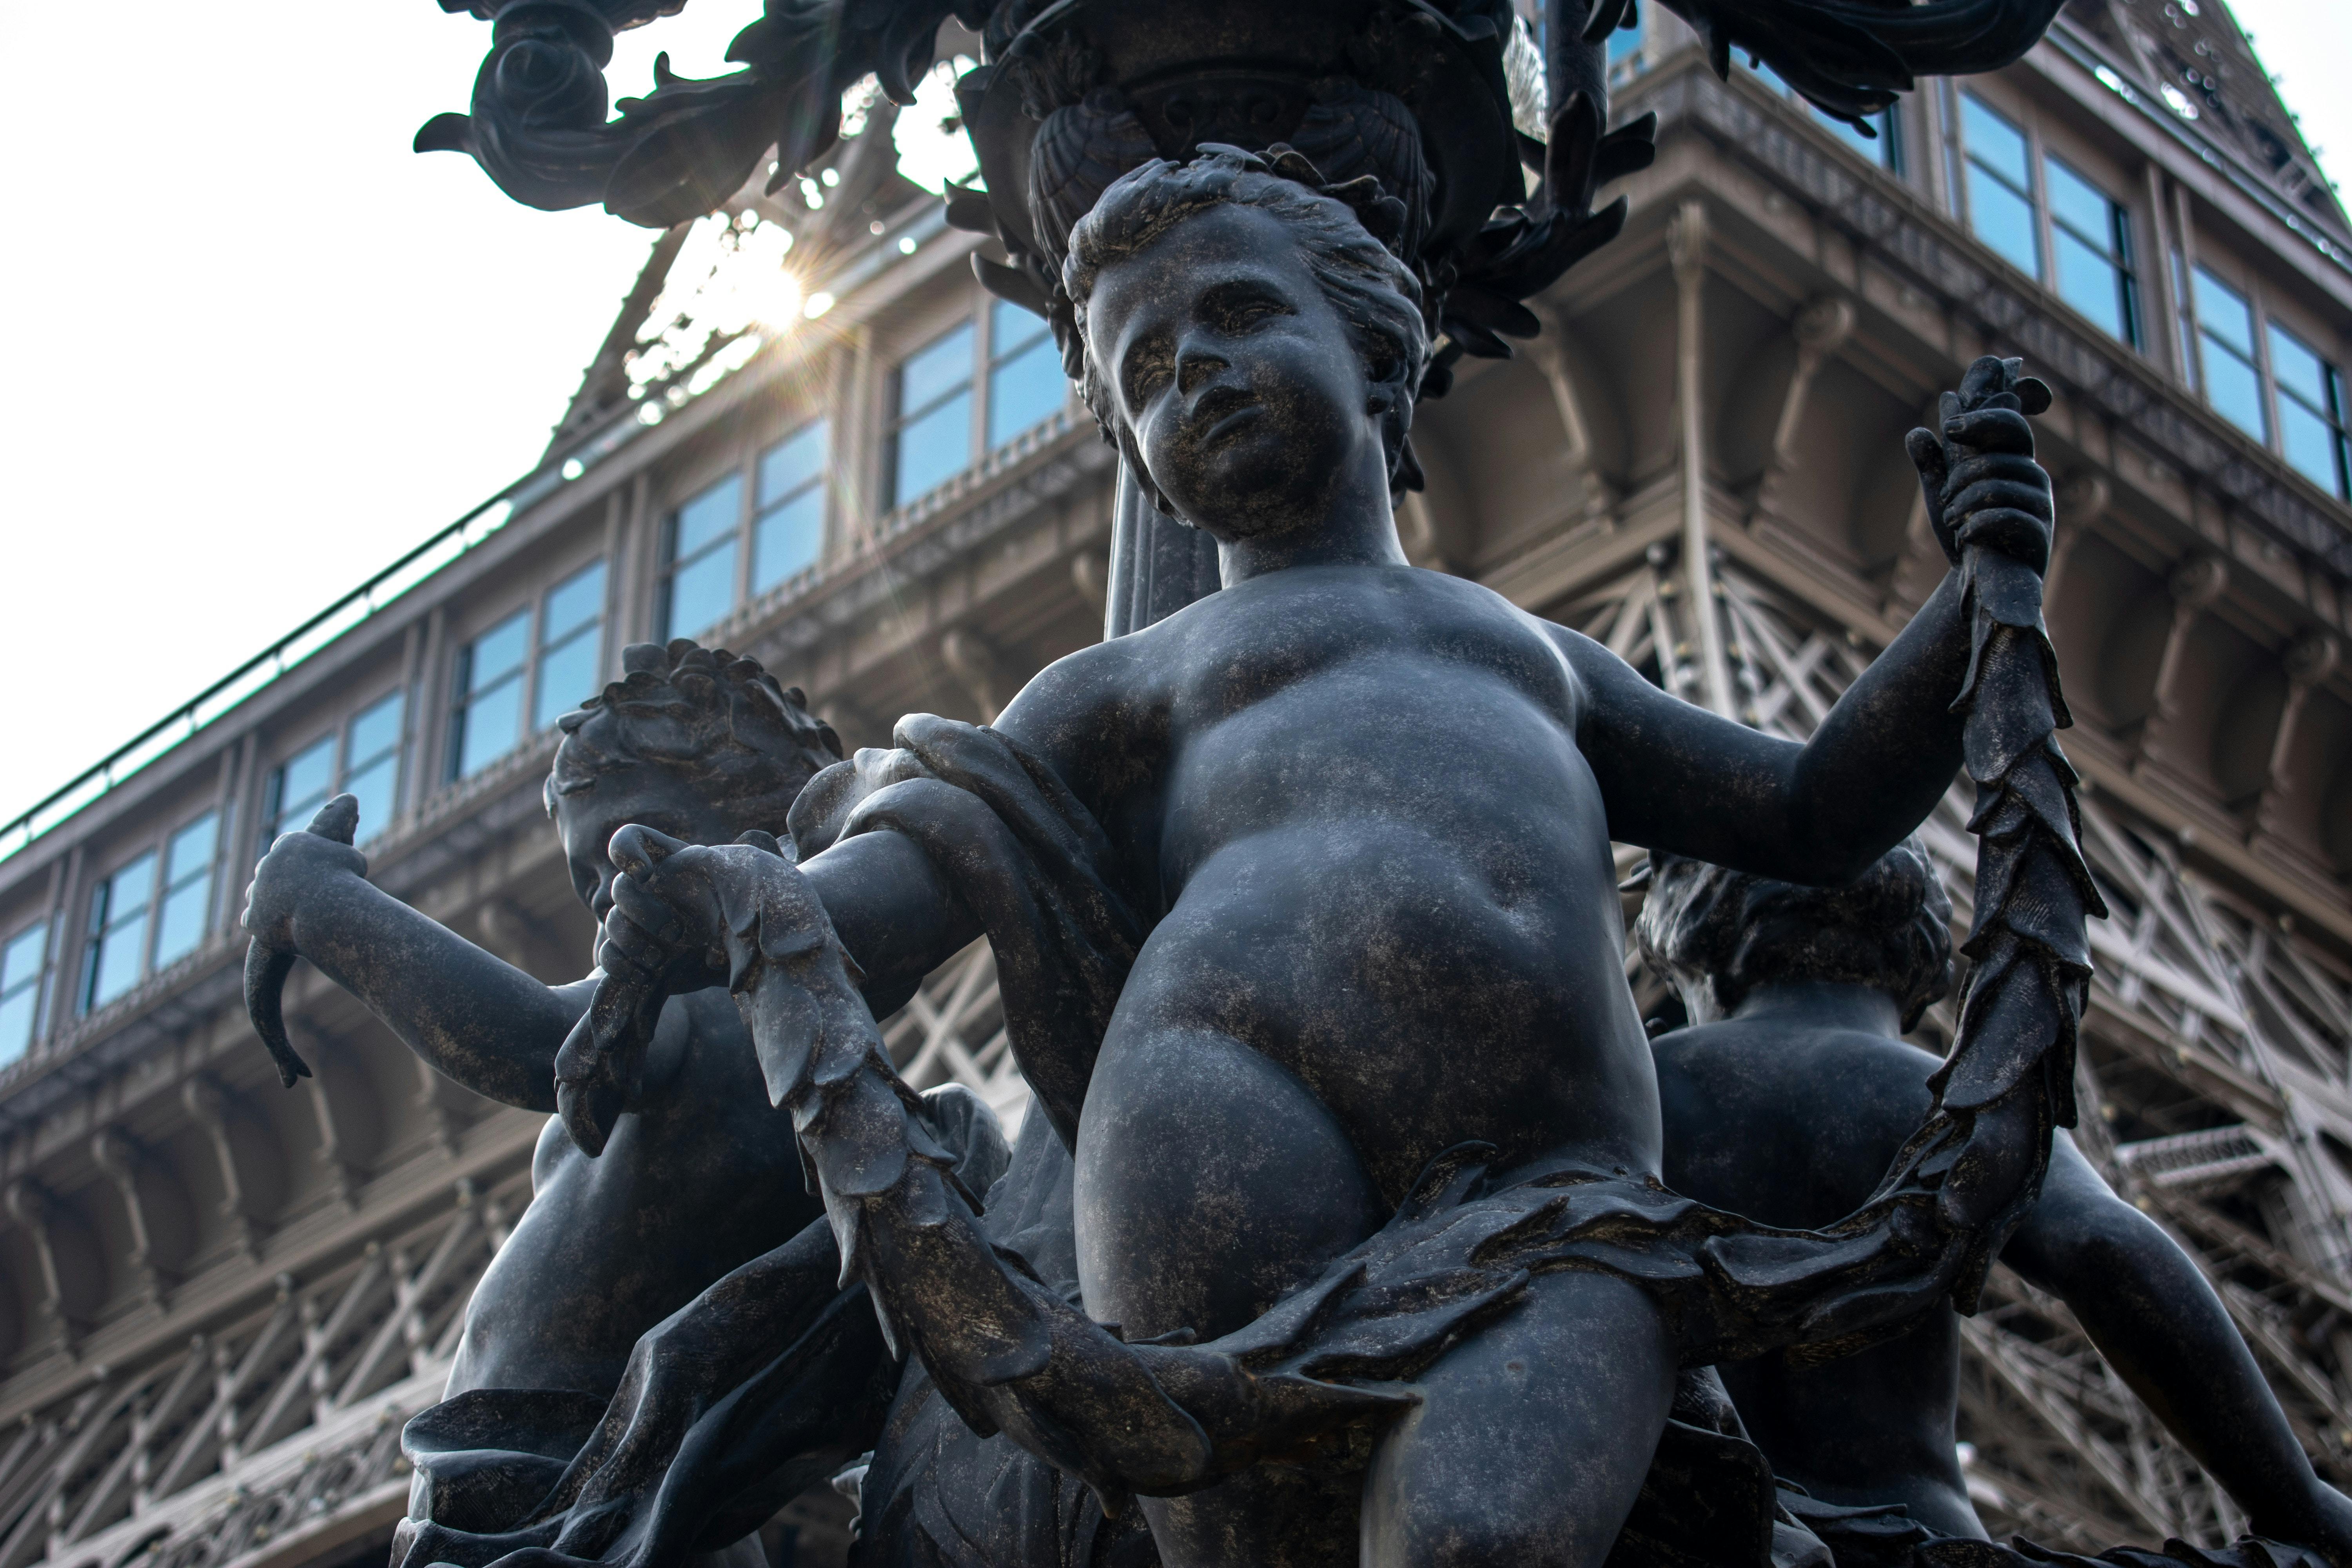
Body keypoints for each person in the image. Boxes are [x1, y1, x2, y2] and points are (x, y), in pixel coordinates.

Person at [593, 144, 2062, 1568]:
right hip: (1217, 1108)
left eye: (1238, 312)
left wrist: (1971, 592)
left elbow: (1811, 813)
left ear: (1379, 353)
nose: (1199, 370)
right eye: (1149, 370)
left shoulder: (1530, 652)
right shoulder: (1127, 681)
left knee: (1489, 1539)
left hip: (1549, 1191)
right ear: (1144, 469)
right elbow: (921, 870)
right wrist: (739, 903)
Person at [240, 640, 998, 1563]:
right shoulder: (785, 1060)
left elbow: (533, 1044)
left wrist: (320, 903)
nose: (606, 895)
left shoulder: (701, 1000)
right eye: (584, 881)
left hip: (543, 1470)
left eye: (626, 844)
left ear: (763, 832)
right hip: (646, 1494)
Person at [1638, 842, 2352, 1565]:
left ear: (1697, 940)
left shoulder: (1645, 1084)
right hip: (1912, 1542)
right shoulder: (1946, 1099)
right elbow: (2101, 1246)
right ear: (1922, 954)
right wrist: (2299, 1500)